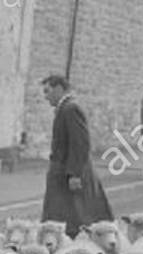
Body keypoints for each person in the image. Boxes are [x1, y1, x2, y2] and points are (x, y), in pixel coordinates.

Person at [41, 75, 113, 236]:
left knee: (78, 213)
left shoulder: (71, 109)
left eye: (48, 91)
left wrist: (74, 174)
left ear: (59, 88)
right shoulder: (64, 108)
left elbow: (80, 143)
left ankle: (81, 241)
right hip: (62, 171)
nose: (45, 97)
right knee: (64, 213)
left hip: (69, 172)